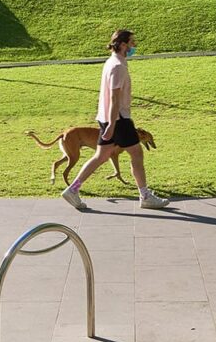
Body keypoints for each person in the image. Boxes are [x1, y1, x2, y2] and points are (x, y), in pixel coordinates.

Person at [62, 28, 169, 211]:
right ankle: (145, 196)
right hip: (118, 119)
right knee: (136, 153)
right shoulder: (117, 66)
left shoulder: (114, 62)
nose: (134, 46)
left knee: (101, 156)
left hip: (110, 118)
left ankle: (73, 190)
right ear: (122, 44)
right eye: (131, 42)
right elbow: (114, 97)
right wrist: (112, 123)